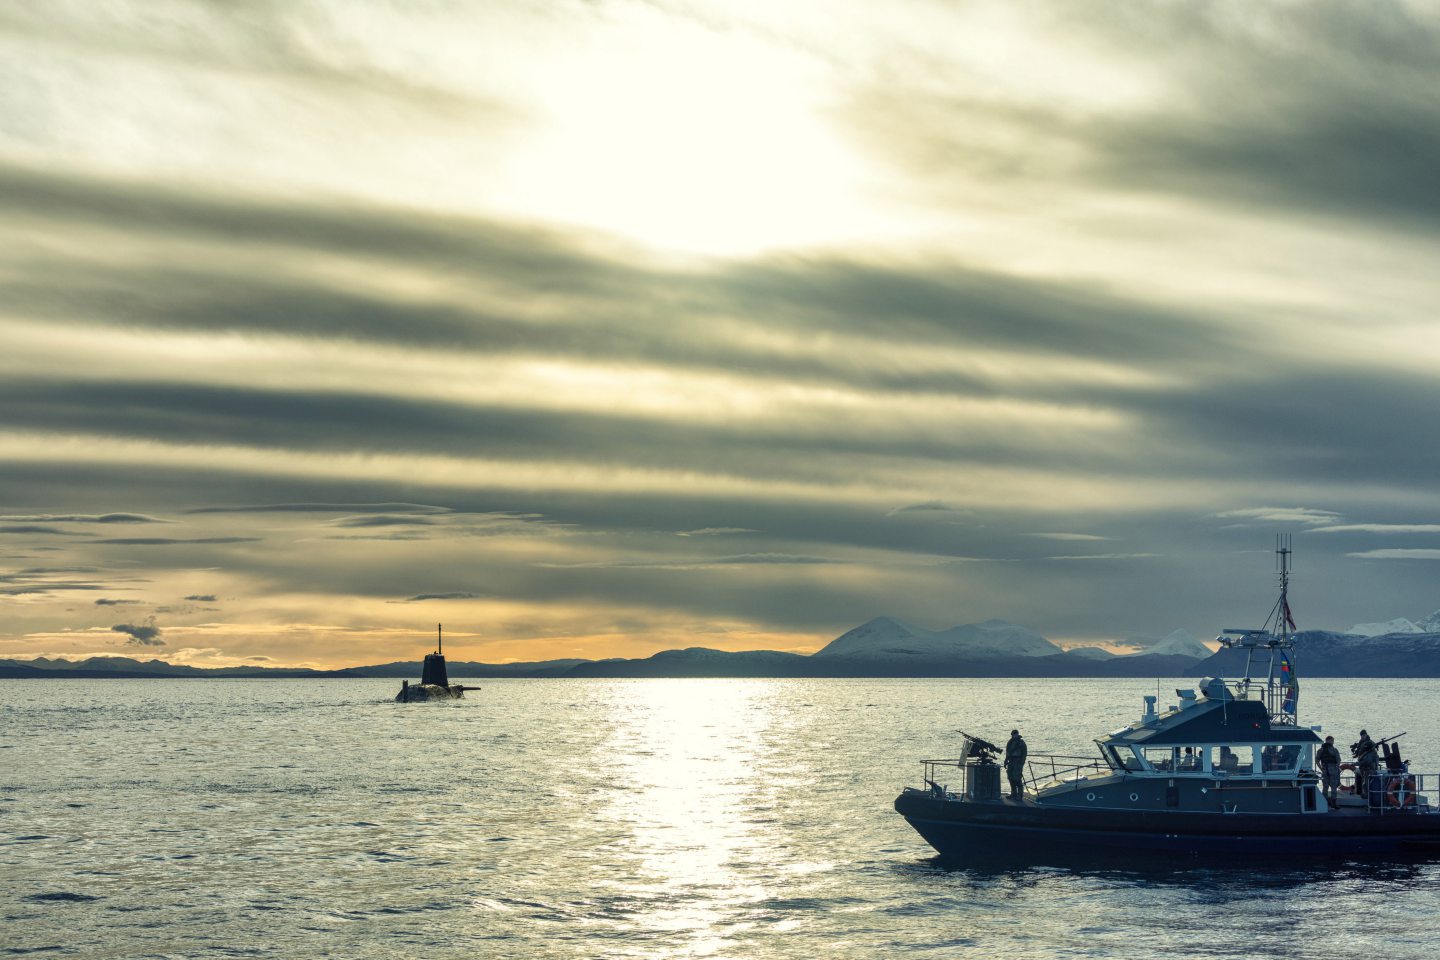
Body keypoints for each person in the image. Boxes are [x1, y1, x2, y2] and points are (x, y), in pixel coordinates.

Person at [1317, 735, 1342, 806]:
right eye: (1332, 741)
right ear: (1330, 740)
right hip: (1333, 769)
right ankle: (1334, 803)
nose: (1333, 743)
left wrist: (1321, 768)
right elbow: (1338, 760)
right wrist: (1337, 767)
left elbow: (1317, 760)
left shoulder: (1320, 750)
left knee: (1325, 786)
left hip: (1324, 769)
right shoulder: (1334, 750)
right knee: (1334, 786)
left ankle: (1324, 802)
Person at [1004, 729, 1028, 800]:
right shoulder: (1010, 742)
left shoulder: (1021, 743)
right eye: (1013, 734)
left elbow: (1024, 754)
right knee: (1010, 777)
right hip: (1011, 761)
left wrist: (1021, 763)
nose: (1014, 736)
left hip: (1018, 761)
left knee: (1017, 778)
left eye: (1015, 734)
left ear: (1017, 734)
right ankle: (1013, 794)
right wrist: (1006, 761)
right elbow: (1007, 752)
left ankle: (1020, 795)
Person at [1354, 730, 1378, 797]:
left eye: (1363, 735)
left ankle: (1367, 795)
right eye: (1361, 736)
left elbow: (1368, 760)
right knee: (1364, 780)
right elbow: (1359, 751)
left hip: (1368, 765)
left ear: (1366, 735)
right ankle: (1364, 793)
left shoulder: (1370, 743)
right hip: (1362, 762)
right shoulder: (1361, 742)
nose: (1362, 737)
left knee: (1366, 782)